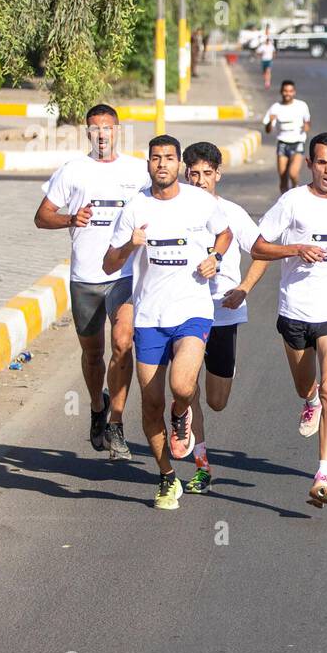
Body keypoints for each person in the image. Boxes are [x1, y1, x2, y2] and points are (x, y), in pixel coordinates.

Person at [102, 135, 232, 510]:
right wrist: (131, 245)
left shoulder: (200, 201)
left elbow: (224, 233)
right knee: (150, 402)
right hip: (149, 317)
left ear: (178, 165)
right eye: (156, 158)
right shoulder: (134, 208)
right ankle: (166, 476)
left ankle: (182, 416)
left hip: (192, 309)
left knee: (182, 385)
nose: (162, 164)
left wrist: (215, 257)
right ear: (148, 165)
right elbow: (109, 265)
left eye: (169, 158)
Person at [251, 132, 327, 509]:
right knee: (309, 387)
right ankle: (309, 398)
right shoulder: (292, 202)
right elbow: (258, 246)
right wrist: (296, 249)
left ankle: (323, 474)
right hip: (297, 311)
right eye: (321, 163)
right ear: (309, 164)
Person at [34, 104, 149, 458]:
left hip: (124, 275)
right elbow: (41, 218)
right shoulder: (73, 171)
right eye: (95, 129)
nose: (102, 134)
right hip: (85, 276)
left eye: (108, 128)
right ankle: (97, 409)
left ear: (118, 131)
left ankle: (116, 422)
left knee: (122, 343)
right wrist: (71, 218)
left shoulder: (138, 171)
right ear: (87, 133)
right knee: (93, 353)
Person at [180, 142, 269, 493]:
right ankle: (201, 465)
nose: (200, 180)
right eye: (194, 173)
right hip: (184, 312)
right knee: (185, 388)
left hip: (223, 314)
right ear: (186, 174)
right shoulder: (173, 209)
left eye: (207, 173)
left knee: (216, 401)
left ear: (218, 174)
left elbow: (261, 251)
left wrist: (244, 288)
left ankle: (192, 398)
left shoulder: (232, 213)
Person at [263, 80, 311, 194]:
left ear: (294, 92)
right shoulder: (276, 107)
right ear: (281, 92)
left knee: (293, 173)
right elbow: (268, 130)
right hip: (283, 144)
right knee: (283, 177)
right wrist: (270, 121)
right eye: (285, 91)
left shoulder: (302, 105)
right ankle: (284, 200)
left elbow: (308, 123)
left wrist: (306, 127)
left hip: (297, 142)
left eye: (290, 91)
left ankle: (295, 189)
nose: (287, 93)